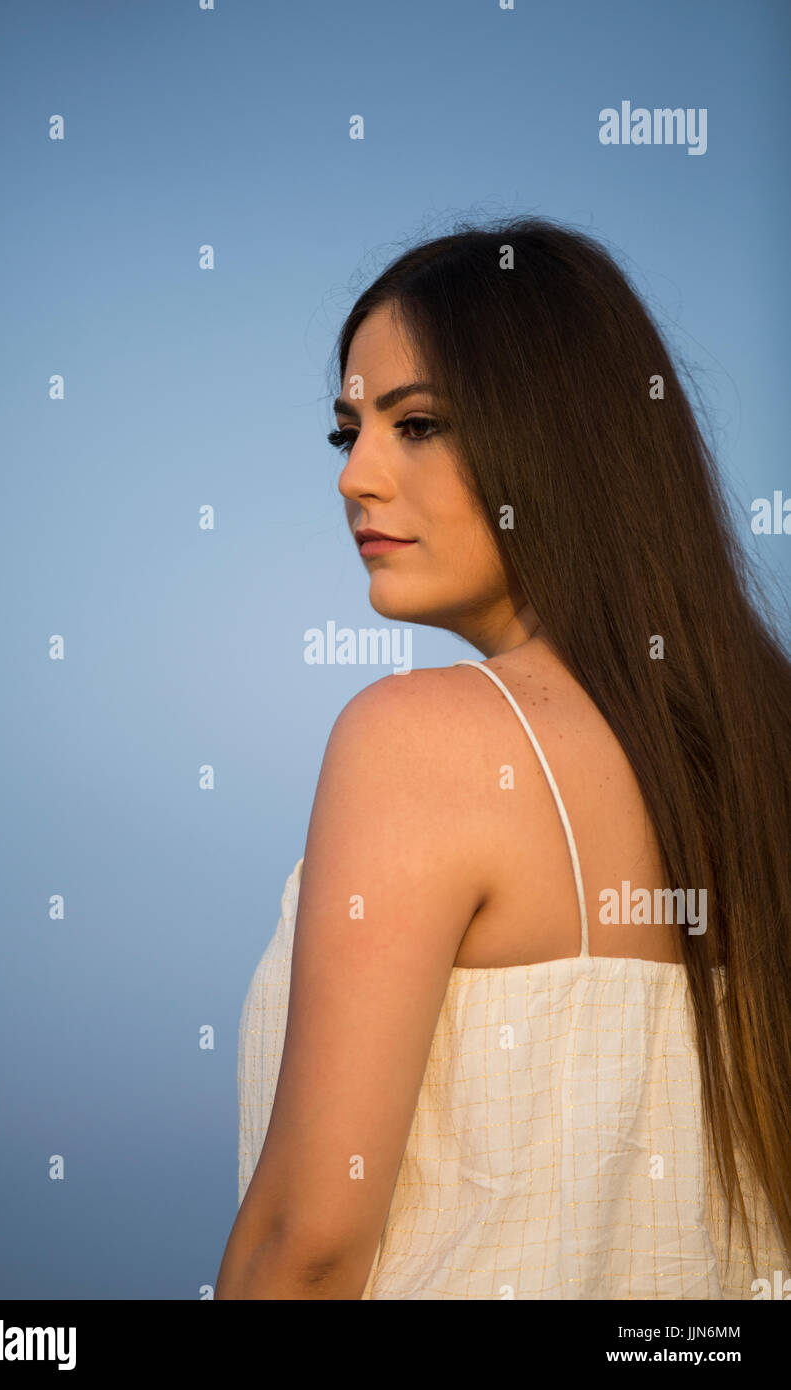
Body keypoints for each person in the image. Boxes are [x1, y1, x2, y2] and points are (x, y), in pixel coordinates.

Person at [215, 217, 791, 1300]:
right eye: (347, 432)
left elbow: (307, 1245)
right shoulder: (764, 746)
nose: (355, 477)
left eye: (416, 423)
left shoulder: (415, 737)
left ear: (564, 437)